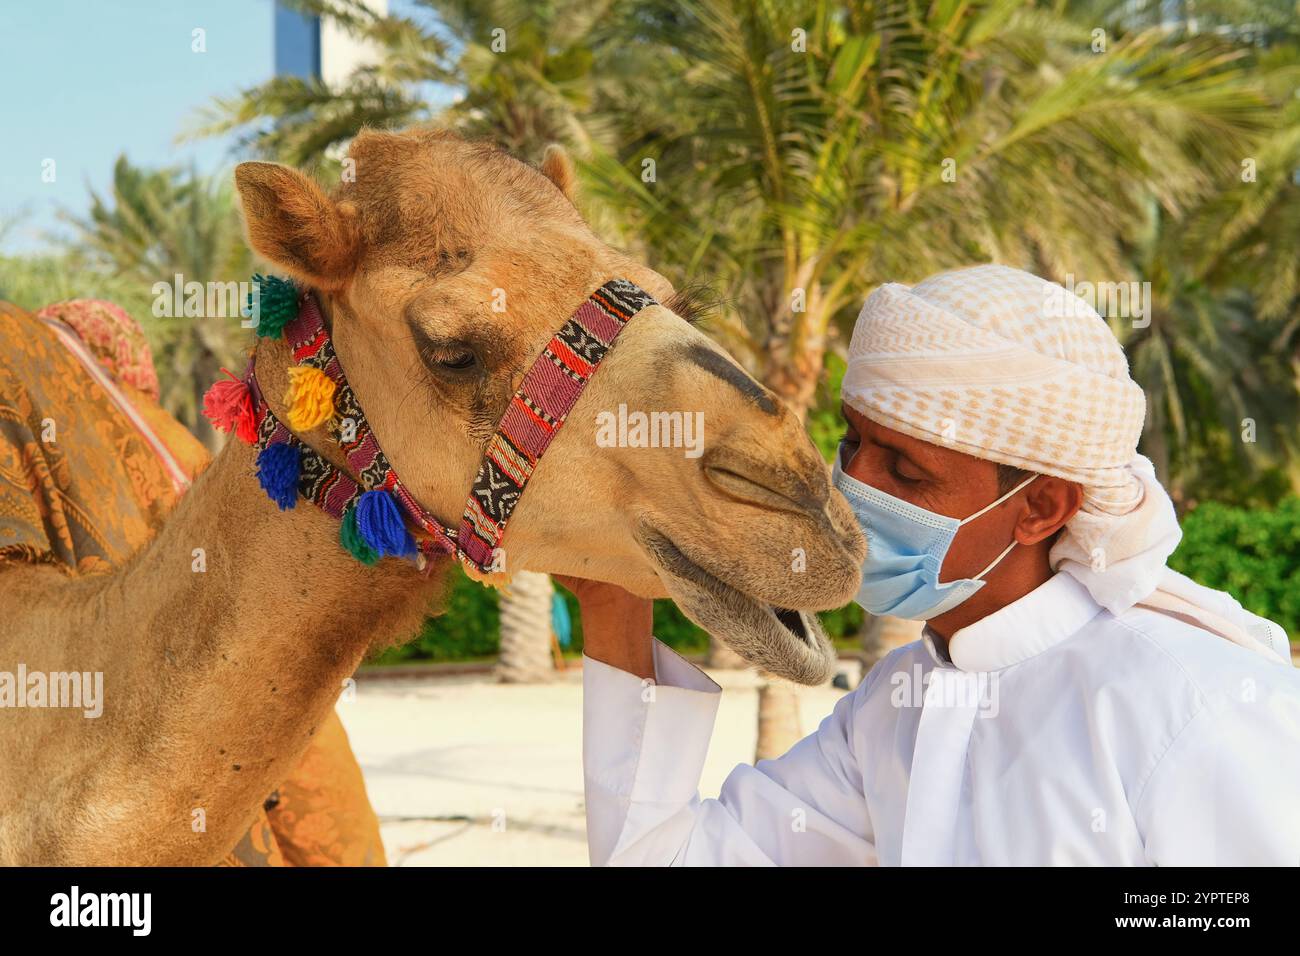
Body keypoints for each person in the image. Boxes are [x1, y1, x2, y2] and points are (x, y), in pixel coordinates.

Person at [564, 264, 1300, 866]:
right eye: (853, 445)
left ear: (1041, 507)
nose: (853, 492)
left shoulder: (1197, 707)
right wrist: (612, 602)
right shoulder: (895, 708)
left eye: (908, 473)